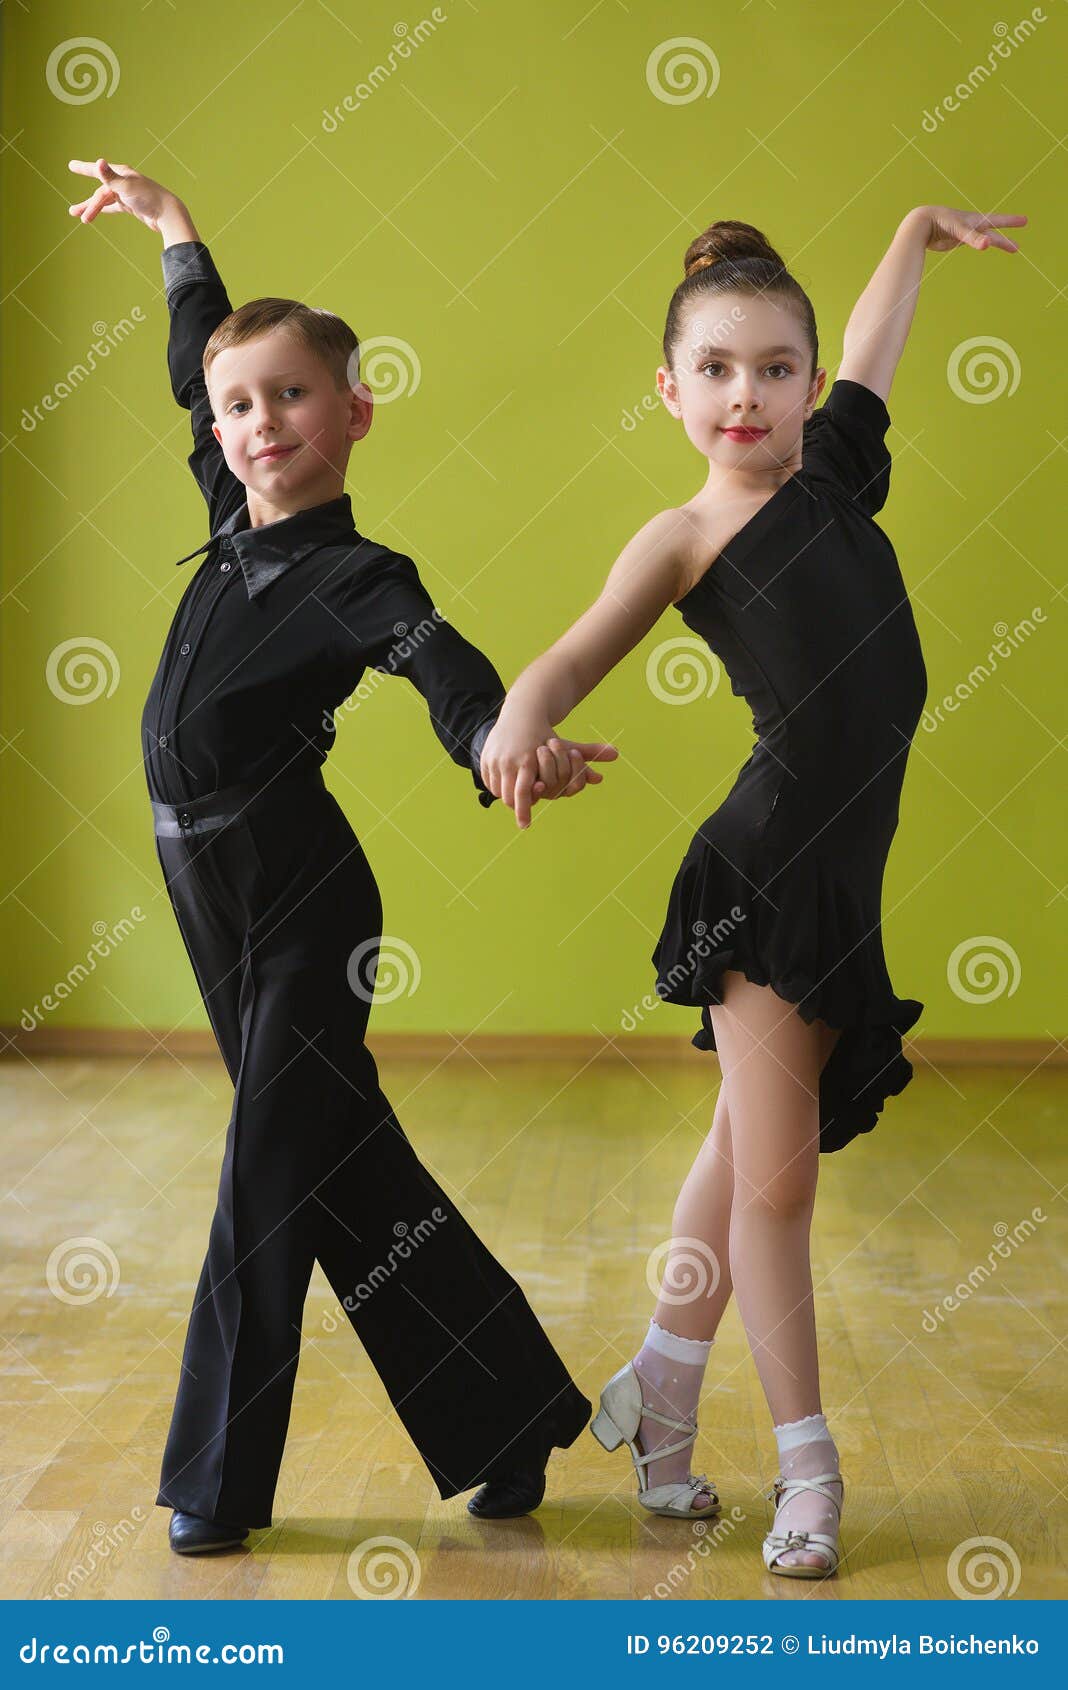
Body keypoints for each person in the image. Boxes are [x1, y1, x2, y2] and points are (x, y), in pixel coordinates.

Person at [67, 156, 617, 1554]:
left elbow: (440, 664)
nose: (257, 423)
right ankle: (505, 1415)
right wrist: (175, 226)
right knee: (342, 1166)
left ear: (354, 413)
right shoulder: (224, 514)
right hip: (211, 900)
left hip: (305, 900)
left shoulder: (352, 575)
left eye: (290, 397)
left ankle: (215, 1482)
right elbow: (201, 347)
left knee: (265, 1176)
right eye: (238, 407)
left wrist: (504, 734)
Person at [480, 206, 1026, 1577]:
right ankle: (810, 1470)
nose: (748, 394)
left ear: (804, 382)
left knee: (739, 1156)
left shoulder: (836, 477)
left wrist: (912, 234)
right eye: (717, 369)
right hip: (766, 871)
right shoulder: (681, 538)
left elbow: (880, 343)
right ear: (670, 388)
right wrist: (512, 734)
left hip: (840, 875)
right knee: (778, 1187)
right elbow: (561, 662)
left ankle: (659, 1398)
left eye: (776, 367)